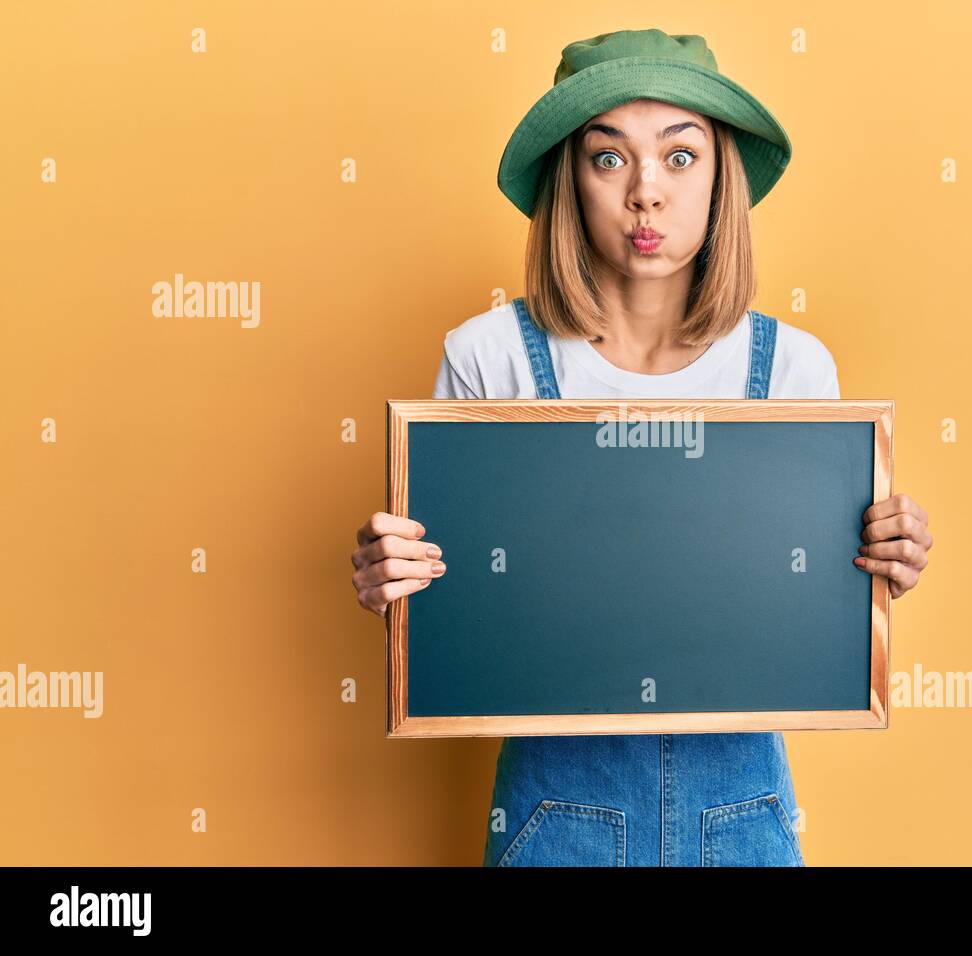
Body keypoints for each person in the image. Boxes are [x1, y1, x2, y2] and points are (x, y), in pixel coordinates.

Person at [350, 29, 933, 866]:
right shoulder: (490, 357)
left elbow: (812, 608)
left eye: (680, 157)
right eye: (610, 159)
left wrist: (884, 565)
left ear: (721, 178)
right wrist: (394, 581)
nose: (646, 194)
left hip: (747, 816)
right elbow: (450, 608)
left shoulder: (797, 368)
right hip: (554, 816)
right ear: (570, 181)